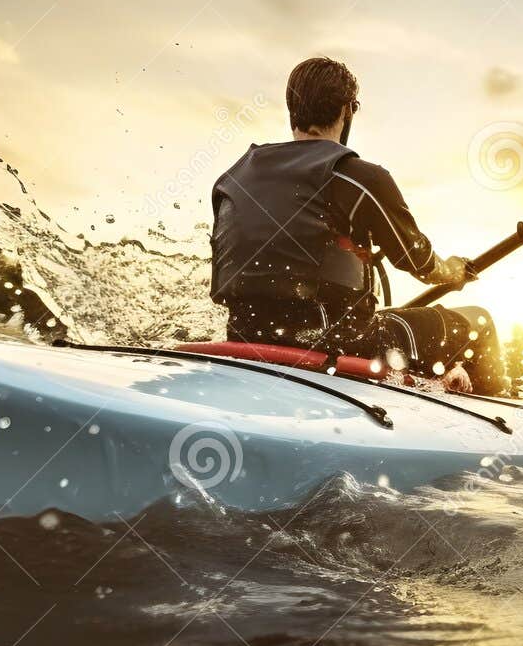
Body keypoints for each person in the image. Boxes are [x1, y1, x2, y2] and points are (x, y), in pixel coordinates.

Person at [210, 56, 508, 394]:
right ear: (347, 110)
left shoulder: (233, 178)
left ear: (292, 107)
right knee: (480, 320)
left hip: (247, 337)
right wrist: (452, 273)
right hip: (342, 345)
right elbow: (419, 263)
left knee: (389, 317)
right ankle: (500, 414)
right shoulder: (361, 178)